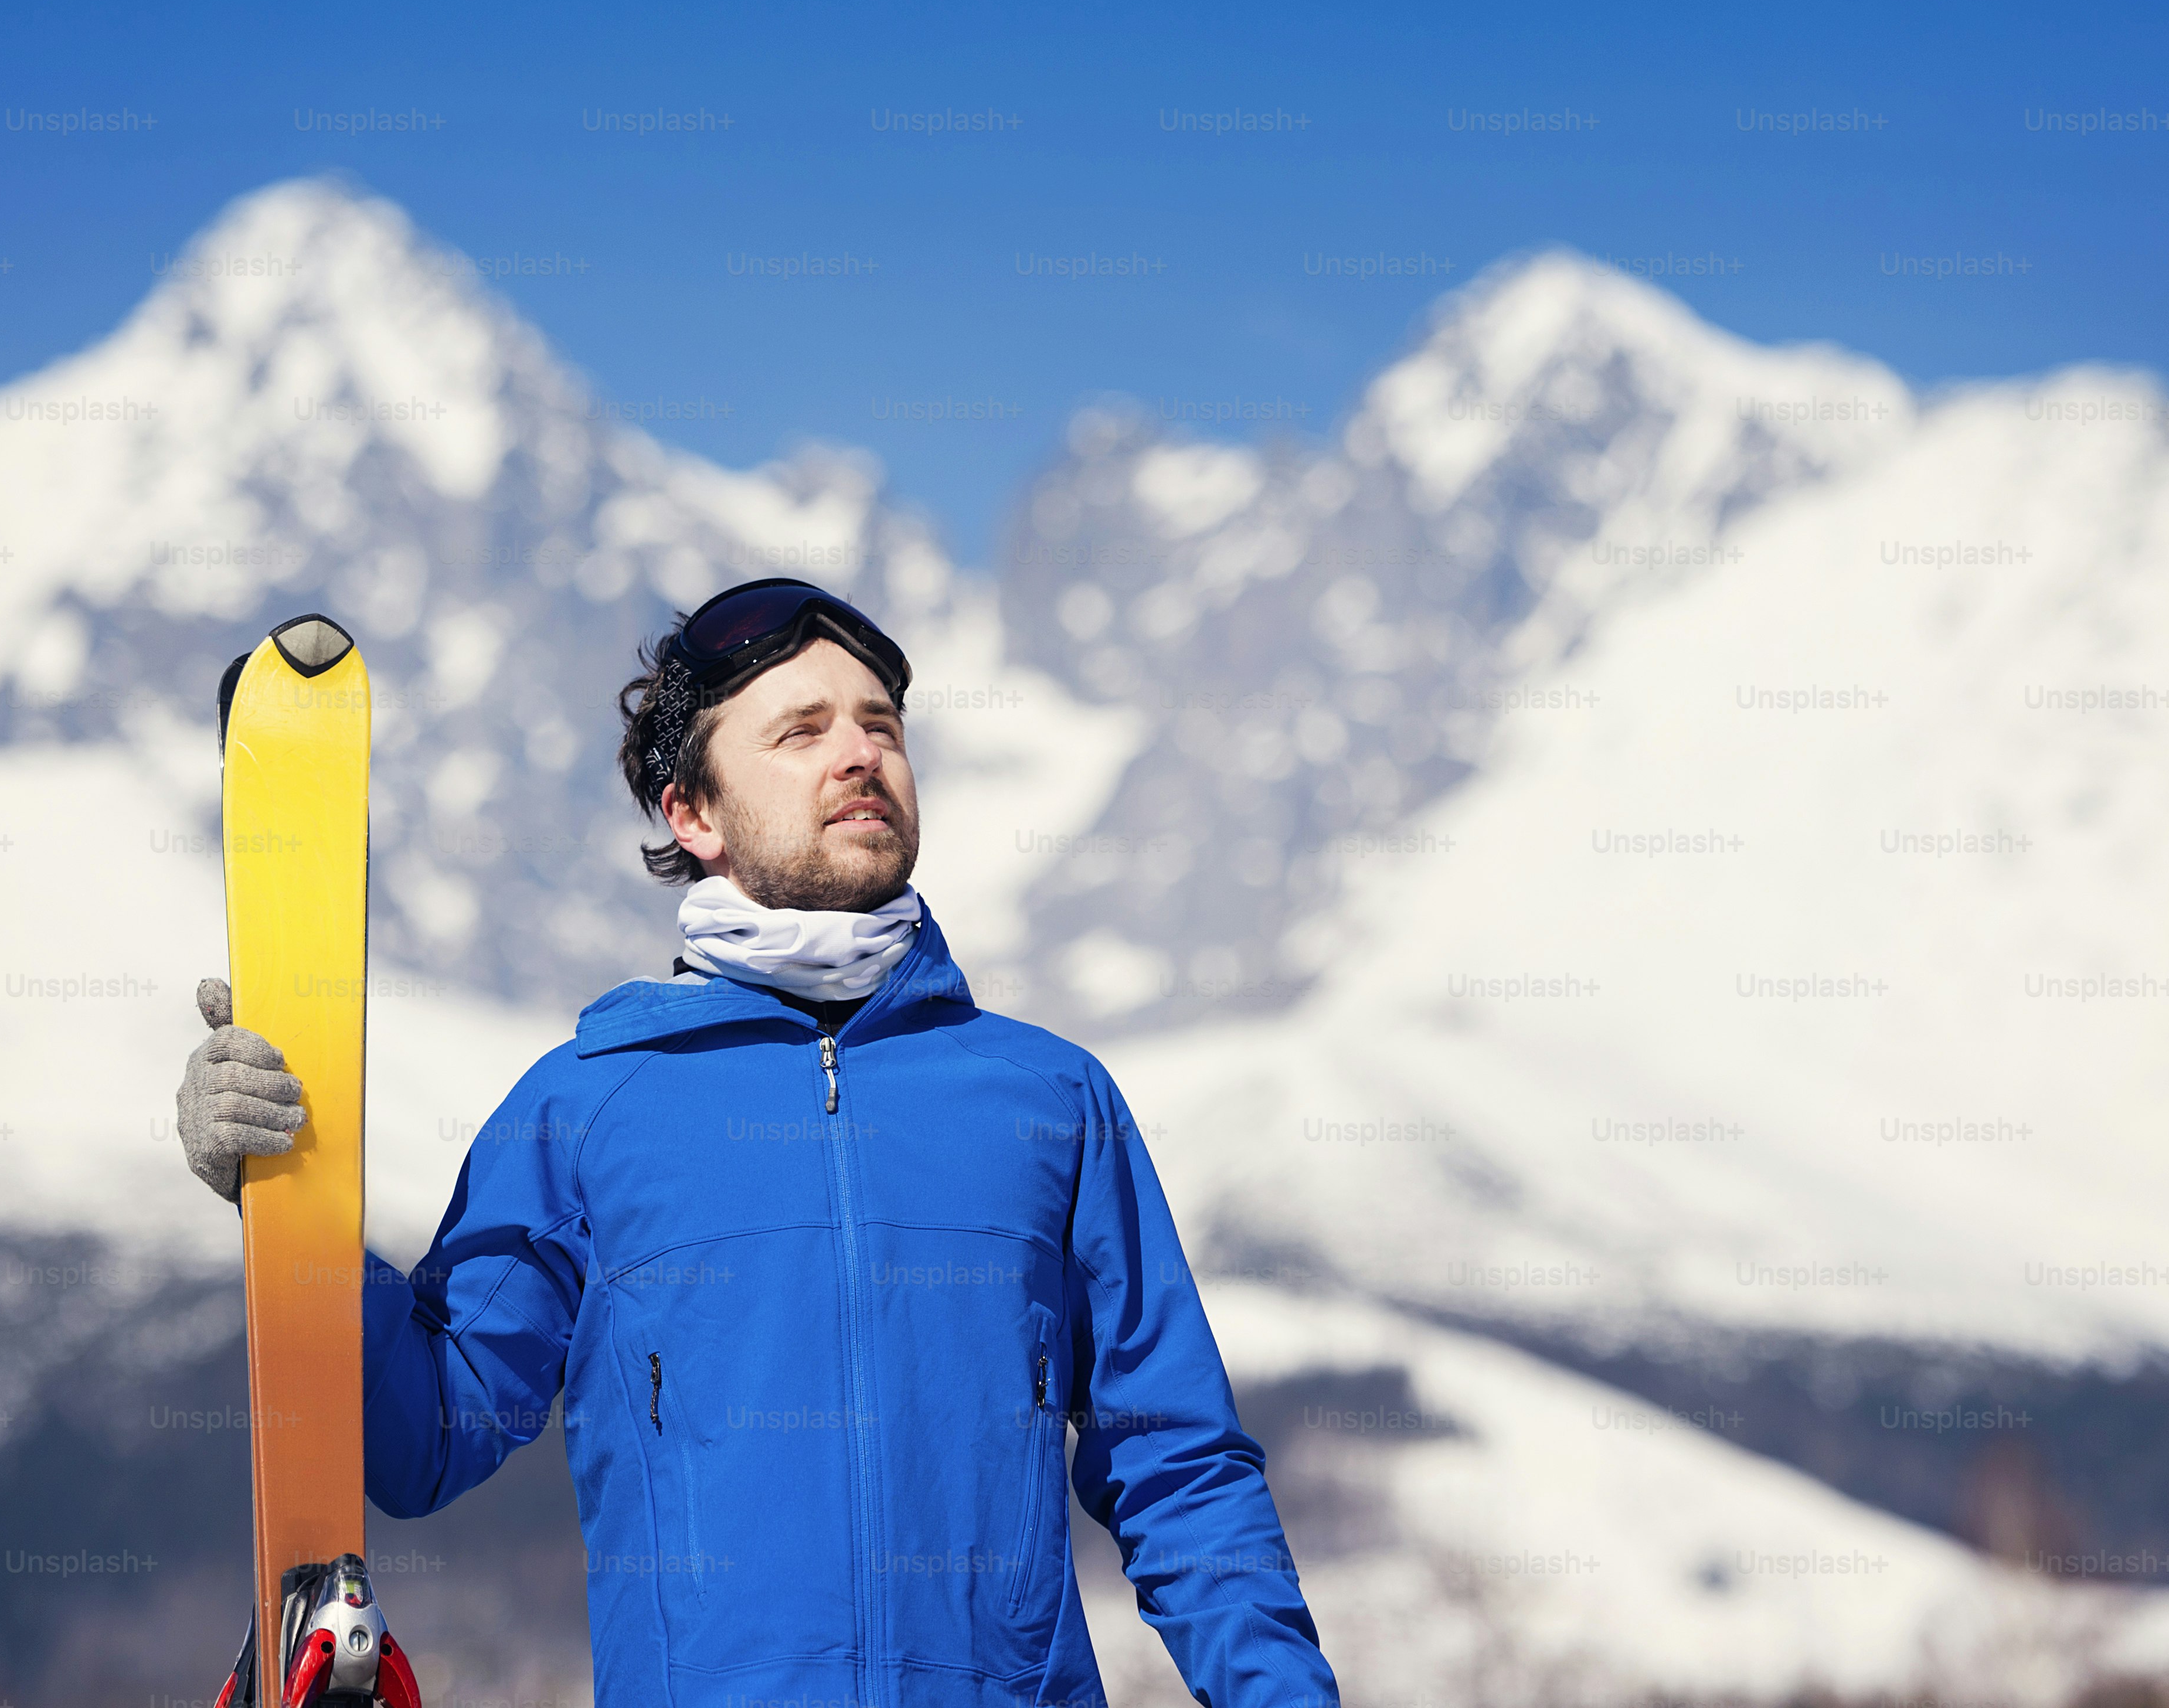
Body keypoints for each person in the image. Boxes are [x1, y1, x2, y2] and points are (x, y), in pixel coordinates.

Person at [176, 577, 1338, 1708]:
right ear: (694, 813)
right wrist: (285, 1196)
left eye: (881, 724)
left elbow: (1179, 1464)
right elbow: (426, 1435)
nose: (860, 753)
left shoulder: (1049, 1096)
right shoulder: (588, 1105)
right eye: (800, 730)